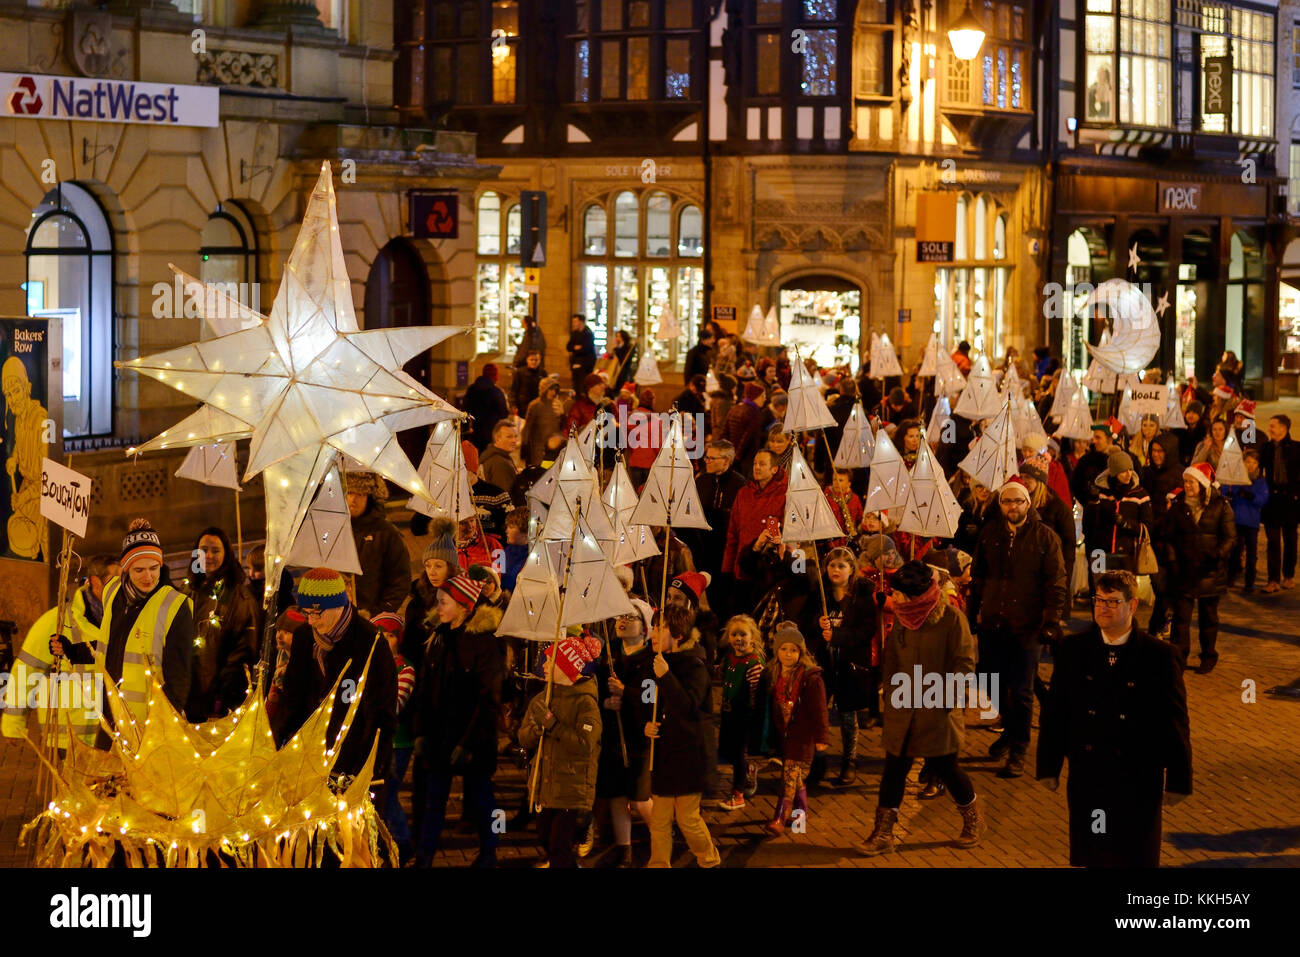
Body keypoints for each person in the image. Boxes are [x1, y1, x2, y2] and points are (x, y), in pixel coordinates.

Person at [1036, 570, 1192, 867]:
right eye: (1098, 600)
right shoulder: (1073, 650)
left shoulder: (1159, 656)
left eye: (1112, 602)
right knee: (1096, 853)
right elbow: (1056, 713)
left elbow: (1175, 722)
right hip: (1090, 774)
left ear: (1132, 606)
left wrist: (1178, 779)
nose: (1102, 608)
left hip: (1138, 778)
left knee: (1135, 856)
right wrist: (1048, 766)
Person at [860, 560, 983, 855]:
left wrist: (946, 697)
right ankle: (883, 833)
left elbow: (964, 664)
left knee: (946, 769)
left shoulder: (952, 620)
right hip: (904, 708)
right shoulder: (903, 619)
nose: (897, 599)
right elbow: (892, 659)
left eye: (901, 594)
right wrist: (889, 691)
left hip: (938, 709)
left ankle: (973, 818)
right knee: (894, 769)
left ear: (918, 596)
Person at [49, 520, 194, 750]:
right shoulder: (113, 592)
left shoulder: (175, 606)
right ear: (126, 568)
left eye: (154, 568)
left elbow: (179, 680)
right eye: (139, 569)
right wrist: (72, 649)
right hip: (110, 718)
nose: (148, 577)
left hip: (147, 729)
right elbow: (112, 645)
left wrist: (161, 730)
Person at [968, 479, 1067, 778]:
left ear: (1028, 504)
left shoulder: (1045, 538)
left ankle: (1019, 749)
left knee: (1022, 689)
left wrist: (1050, 620)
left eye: (1019, 501)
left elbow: (1056, 582)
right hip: (993, 623)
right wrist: (975, 616)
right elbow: (978, 577)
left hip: (1027, 626)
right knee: (988, 681)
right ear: (1001, 506)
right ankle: (1010, 731)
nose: (1013, 507)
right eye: (1007, 502)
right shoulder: (990, 534)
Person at [270, 567, 397, 783]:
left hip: (352, 752)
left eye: (316, 613)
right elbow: (294, 696)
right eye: (306, 613)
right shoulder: (304, 637)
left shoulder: (369, 642)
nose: (310, 621)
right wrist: (277, 741)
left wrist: (368, 766)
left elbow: (380, 711)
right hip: (310, 752)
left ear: (338, 605)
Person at [414, 574, 504, 868]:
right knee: (433, 801)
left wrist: (468, 742)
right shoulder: (437, 637)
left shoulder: (483, 643)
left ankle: (490, 851)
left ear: (463, 606)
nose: (437, 606)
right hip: (440, 734)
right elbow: (426, 688)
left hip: (473, 736)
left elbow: (488, 697)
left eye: (444, 601)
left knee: (482, 798)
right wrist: (422, 731)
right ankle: (424, 857)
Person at [1, 554, 119, 749]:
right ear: (96, 583)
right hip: (69, 739)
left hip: (112, 737)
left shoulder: (123, 620)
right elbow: (27, 671)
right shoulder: (57, 621)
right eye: (115, 581)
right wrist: (14, 722)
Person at [641, 603, 721, 868]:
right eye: (652, 626)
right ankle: (658, 863)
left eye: (660, 627)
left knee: (687, 817)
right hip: (666, 753)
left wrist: (666, 677)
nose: (653, 633)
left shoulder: (694, 665)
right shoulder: (656, 662)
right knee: (660, 819)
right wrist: (648, 724)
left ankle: (708, 857)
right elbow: (649, 702)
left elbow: (688, 706)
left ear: (678, 634)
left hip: (690, 754)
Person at [518, 634, 603, 869]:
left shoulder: (586, 703)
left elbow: (585, 743)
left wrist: (553, 725)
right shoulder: (541, 699)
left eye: (549, 661)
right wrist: (535, 732)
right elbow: (523, 737)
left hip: (571, 789)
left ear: (566, 667)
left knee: (558, 847)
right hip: (545, 786)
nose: (543, 666)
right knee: (545, 837)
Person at [593, 599, 655, 868]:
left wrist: (625, 693)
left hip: (639, 738)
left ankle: (662, 835)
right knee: (617, 797)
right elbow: (595, 691)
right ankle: (624, 848)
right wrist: (605, 703)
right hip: (613, 737)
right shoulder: (608, 655)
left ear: (644, 627)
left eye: (631, 616)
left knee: (640, 800)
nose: (622, 620)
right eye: (620, 615)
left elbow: (651, 699)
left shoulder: (651, 659)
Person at [1159, 463, 1235, 674]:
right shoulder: (1179, 506)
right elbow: (1169, 538)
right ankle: (1178, 657)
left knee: (1208, 617)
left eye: (1191, 482)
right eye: (1185, 482)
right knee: (1181, 618)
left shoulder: (1221, 505)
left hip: (1210, 571)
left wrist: (1217, 555)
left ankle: (1208, 655)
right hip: (1183, 572)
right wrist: (1173, 561)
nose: (1187, 485)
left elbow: (1230, 537)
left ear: (1202, 484)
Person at [755, 623, 830, 837]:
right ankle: (801, 812)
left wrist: (822, 736)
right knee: (795, 778)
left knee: (788, 776)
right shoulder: (773, 674)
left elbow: (820, 710)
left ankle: (780, 816)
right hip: (785, 736)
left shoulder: (811, 678)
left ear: (801, 652)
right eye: (784, 649)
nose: (788, 654)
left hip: (803, 737)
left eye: (794, 650)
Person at [181, 526, 259, 722]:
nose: (208, 556)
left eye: (215, 550)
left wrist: (222, 697)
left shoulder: (240, 597)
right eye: (203, 550)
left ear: (226, 554)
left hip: (218, 705)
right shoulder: (187, 591)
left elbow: (243, 651)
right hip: (187, 697)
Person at [373, 611, 416, 865]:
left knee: (389, 794)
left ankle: (403, 842)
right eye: (380, 634)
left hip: (397, 741)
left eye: (390, 635)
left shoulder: (404, 668)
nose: (385, 639)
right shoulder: (370, 663)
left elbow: (395, 704)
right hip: (376, 738)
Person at [346, 471, 411, 618]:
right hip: (335, 616)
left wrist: (380, 613)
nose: (353, 499)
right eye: (349, 492)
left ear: (370, 498)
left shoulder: (386, 533)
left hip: (371, 617)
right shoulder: (332, 529)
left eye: (360, 494)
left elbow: (401, 580)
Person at [716, 615, 765, 811]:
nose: (738, 638)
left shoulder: (753, 664)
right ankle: (749, 769)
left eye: (743, 634)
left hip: (744, 717)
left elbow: (756, 695)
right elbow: (720, 673)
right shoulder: (729, 658)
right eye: (734, 634)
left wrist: (754, 720)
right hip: (729, 714)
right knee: (728, 750)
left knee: (738, 755)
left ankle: (738, 793)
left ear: (752, 637)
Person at [1082, 450, 1153, 577]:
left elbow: (1147, 527)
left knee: (1123, 590)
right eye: (1123, 471)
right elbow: (1089, 525)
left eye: (1130, 470)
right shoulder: (1101, 493)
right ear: (1114, 472)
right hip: (1099, 550)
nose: (1128, 474)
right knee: (1098, 587)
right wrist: (1093, 503)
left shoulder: (1140, 495)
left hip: (1126, 553)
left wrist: (1124, 522)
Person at [722, 449, 788, 583]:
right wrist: (727, 568)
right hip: (743, 568)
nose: (757, 467)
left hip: (769, 571)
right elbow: (733, 533)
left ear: (774, 469)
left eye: (762, 464)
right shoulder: (743, 493)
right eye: (755, 463)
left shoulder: (785, 494)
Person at [1020, 463, 1075, 612]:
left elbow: (1069, 547)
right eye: (1022, 477)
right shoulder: (1020, 506)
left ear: (1040, 480)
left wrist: (1064, 578)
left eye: (1028, 477)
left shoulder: (1059, 508)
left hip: (1052, 572)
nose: (1024, 481)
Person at [1261, 414, 1300, 593]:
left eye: (1273, 426)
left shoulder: (1297, 448)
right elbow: (1256, 468)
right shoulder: (1266, 447)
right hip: (1272, 500)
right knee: (1273, 541)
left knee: (1290, 540)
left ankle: (1289, 576)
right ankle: (1273, 580)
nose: (1270, 429)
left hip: (1291, 501)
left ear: (1283, 428)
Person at [1224, 450, 1268, 593]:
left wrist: (1251, 496)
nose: (1250, 465)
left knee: (1251, 554)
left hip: (1251, 522)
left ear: (1258, 465)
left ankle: (1249, 582)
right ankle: (1230, 577)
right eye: (1248, 461)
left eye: (1254, 462)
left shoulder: (1260, 481)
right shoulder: (1235, 478)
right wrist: (1229, 495)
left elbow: (1263, 500)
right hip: (1236, 520)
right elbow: (1225, 492)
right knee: (1234, 551)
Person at [723, 381, 768, 475]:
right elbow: (748, 437)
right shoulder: (753, 413)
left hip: (731, 454)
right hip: (746, 457)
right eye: (762, 396)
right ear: (754, 397)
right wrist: (738, 455)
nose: (765, 399)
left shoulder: (735, 408)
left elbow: (725, 432)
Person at [463, 362, 510, 451]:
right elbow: (504, 413)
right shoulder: (496, 392)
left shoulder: (471, 389)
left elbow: (465, 408)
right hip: (491, 431)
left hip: (475, 431)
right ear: (495, 375)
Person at [520, 374, 563, 467]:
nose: (553, 392)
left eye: (555, 390)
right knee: (540, 472)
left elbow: (562, 424)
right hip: (539, 447)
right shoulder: (535, 405)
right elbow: (528, 426)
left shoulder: (557, 404)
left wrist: (562, 414)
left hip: (554, 446)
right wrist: (524, 445)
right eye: (550, 389)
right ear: (544, 390)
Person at [479, 420, 521, 493]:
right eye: (509, 437)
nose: (514, 440)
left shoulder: (491, 455)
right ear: (497, 439)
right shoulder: (500, 463)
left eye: (515, 436)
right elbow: (506, 495)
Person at [567, 314, 597, 392]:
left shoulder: (588, 334)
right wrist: (575, 347)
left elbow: (586, 349)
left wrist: (576, 348)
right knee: (575, 386)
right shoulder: (574, 333)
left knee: (583, 387)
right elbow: (568, 347)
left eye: (575, 321)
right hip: (575, 364)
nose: (573, 324)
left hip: (585, 365)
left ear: (581, 322)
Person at [511, 349, 546, 414]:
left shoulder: (543, 373)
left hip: (538, 407)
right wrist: (513, 405)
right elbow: (514, 390)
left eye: (536, 360)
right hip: (523, 407)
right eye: (531, 360)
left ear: (540, 360)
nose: (534, 362)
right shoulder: (520, 373)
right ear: (527, 360)